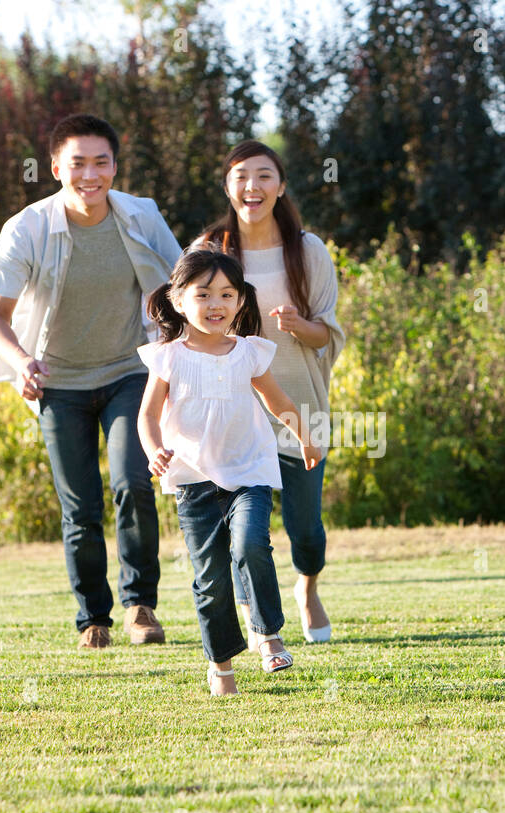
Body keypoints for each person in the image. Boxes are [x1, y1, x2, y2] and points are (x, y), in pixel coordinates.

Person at [0, 114, 181, 649]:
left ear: (115, 166)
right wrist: (22, 361)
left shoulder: (141, 215)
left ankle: (141, 606)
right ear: (55, 168)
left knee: (134, 483)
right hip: (57, 382)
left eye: (101, 162)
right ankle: (94, 616)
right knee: (80, 506)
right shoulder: (26, 228)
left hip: (129, 372)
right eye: (77, 164)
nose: (90, 175)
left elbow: (180, 283)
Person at [136, 247, 323, 696]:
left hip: (250, 471)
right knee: (210, 577)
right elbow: (147, 415)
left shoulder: (251, 353)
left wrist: (303, 435)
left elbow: (277, 401)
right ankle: (220, 666)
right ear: (178, 300)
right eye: (203, 294)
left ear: (241, 301)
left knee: (251, 543)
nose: (215, 304)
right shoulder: (169, 357)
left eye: (226, 294)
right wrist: (154, 450)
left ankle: (269, 635)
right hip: (193, 479)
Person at [195, 140, 345, 647]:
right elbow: (186, 326)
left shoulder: (309, 250)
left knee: (305, 526)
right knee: (243, 527)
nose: (252, 187)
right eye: (241, 176)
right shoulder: (208, 250)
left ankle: (307, 587)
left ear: (280, 187)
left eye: (264, 176)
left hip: (303, 404)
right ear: (228, 186)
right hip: (232, 409)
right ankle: (255, 614)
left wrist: (301, 325)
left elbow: (330, 334)